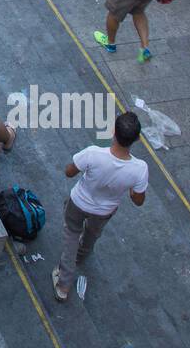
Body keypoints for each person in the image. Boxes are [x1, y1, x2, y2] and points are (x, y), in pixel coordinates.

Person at [52, 111, 148, 302]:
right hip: (104, 211)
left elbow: (69, 172)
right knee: (92, 234)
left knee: (71, 235)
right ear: (136, 139)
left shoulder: (93, 153)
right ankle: (82, 255)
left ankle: (63, 284)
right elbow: (138, 200)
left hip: (78, 203)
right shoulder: (140, 169)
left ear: (113, 131)